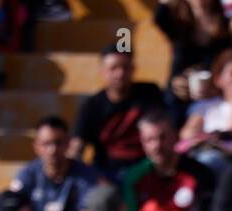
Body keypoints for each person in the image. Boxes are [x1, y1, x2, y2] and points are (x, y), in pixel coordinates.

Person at [8, 115, 102, 211]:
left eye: (58, 143)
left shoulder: (85, 177)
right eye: (46, 144)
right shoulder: (28, 175)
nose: (52, 150)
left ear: (68, 144)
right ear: (36, 147)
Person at [69, 45, 166, 179]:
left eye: (125, 67)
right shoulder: (92, 105)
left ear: (133, 69)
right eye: (113, 68)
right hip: (106, 175)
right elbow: (77, 144)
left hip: (149, 169)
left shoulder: (150, 94)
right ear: (102, 71)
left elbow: (167, 129)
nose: (120, 74)